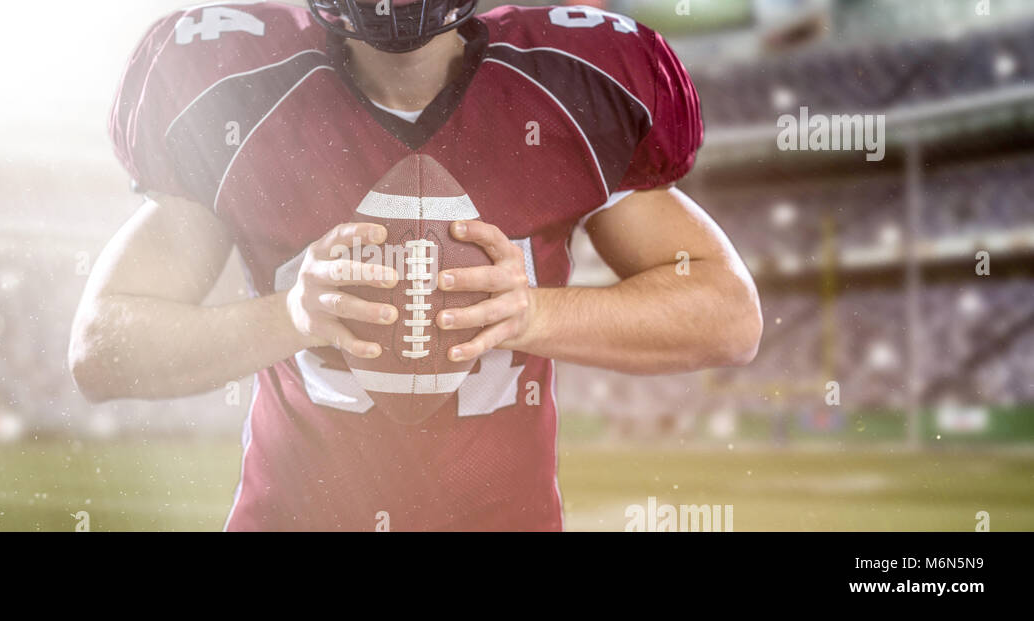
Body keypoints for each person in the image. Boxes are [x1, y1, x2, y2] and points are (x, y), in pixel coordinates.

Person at [69, 0, 762, 531]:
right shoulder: (235, 91)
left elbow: (730, 315)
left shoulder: (570, 89)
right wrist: (290, 316)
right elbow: (100, 347)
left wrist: (533, 311)